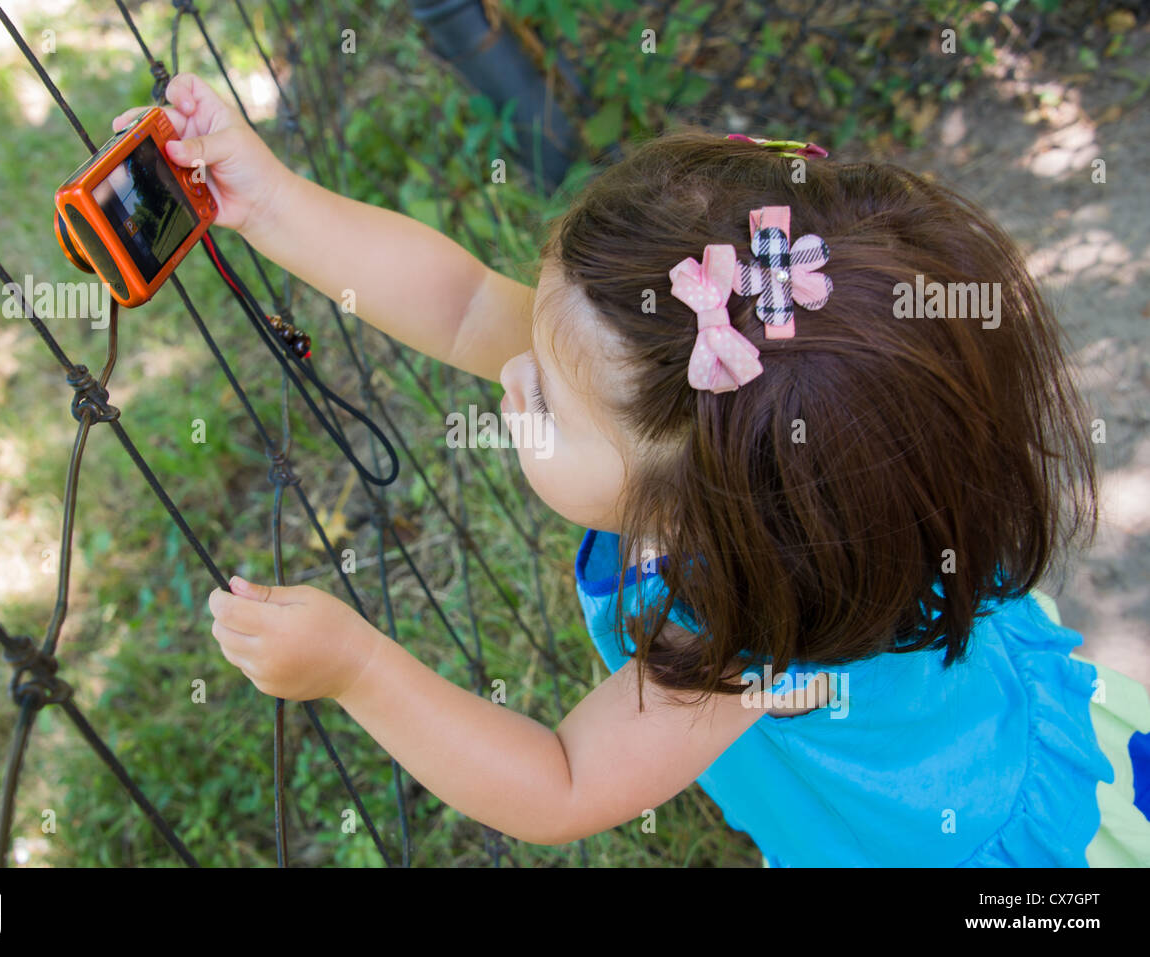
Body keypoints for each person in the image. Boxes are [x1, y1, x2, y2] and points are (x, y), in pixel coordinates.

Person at [113, 73, 1150, 866]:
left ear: (710, 511)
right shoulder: (693, 410)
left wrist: (358, 671)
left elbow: (563, 781)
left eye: (548, 405)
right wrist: (269, 201)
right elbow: (468, 306)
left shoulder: (745, 633)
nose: (512, 376)